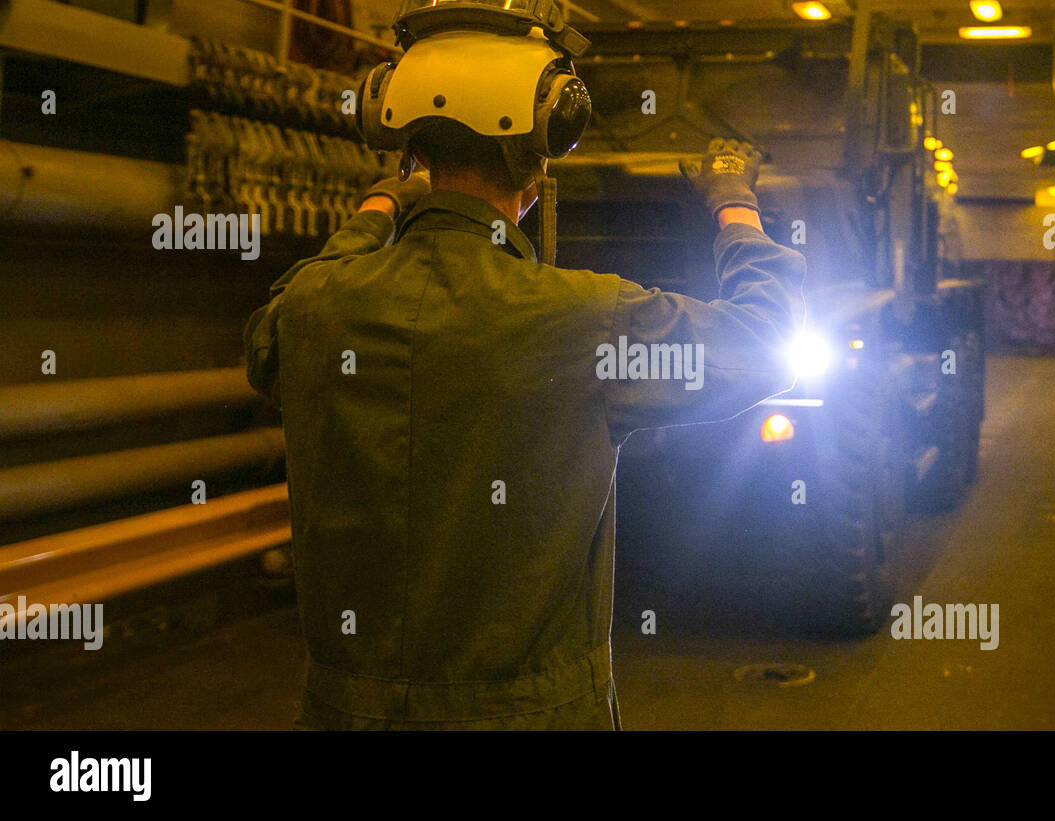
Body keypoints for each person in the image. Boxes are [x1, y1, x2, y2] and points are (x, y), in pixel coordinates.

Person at [242, 0, 805, 730]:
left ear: (405, 143)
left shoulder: (315, 307)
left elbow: (272, 330)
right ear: (538, 159)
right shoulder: (586, 319)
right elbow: (767, 341)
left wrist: (380, 204)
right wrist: (735, 205)